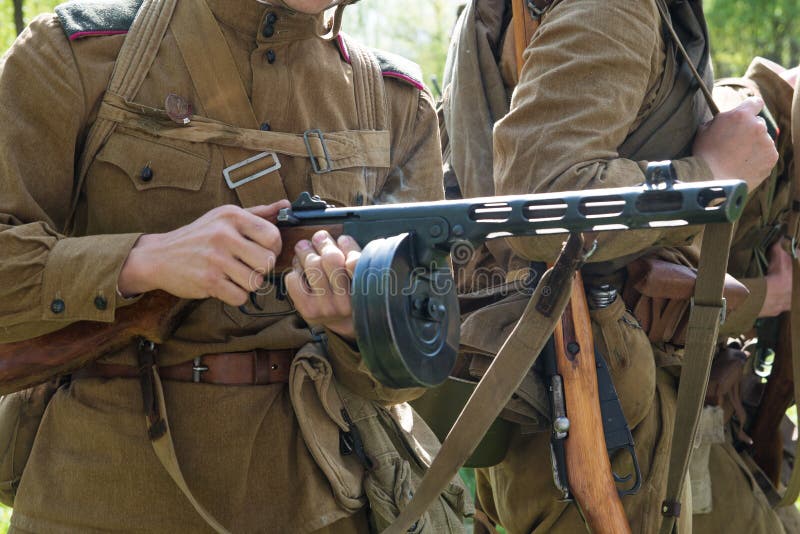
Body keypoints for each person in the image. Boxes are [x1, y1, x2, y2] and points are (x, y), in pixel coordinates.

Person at [0, 0, 471, 532]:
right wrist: (142, 260)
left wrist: (357, 331)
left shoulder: (397, 102)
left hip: (321, 502)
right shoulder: (78, 54)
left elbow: (408, 376)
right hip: (100, 495)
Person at [438, 0, 777, 532]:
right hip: (587, 390)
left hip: (569, 380)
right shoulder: (612, 6)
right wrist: (710, 173)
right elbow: (544, 200)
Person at [689, 57, 800, 534]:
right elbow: (658, 282)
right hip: (675, 401)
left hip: (729, 397)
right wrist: (769, 296)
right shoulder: (743, 123)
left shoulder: (789, 150)